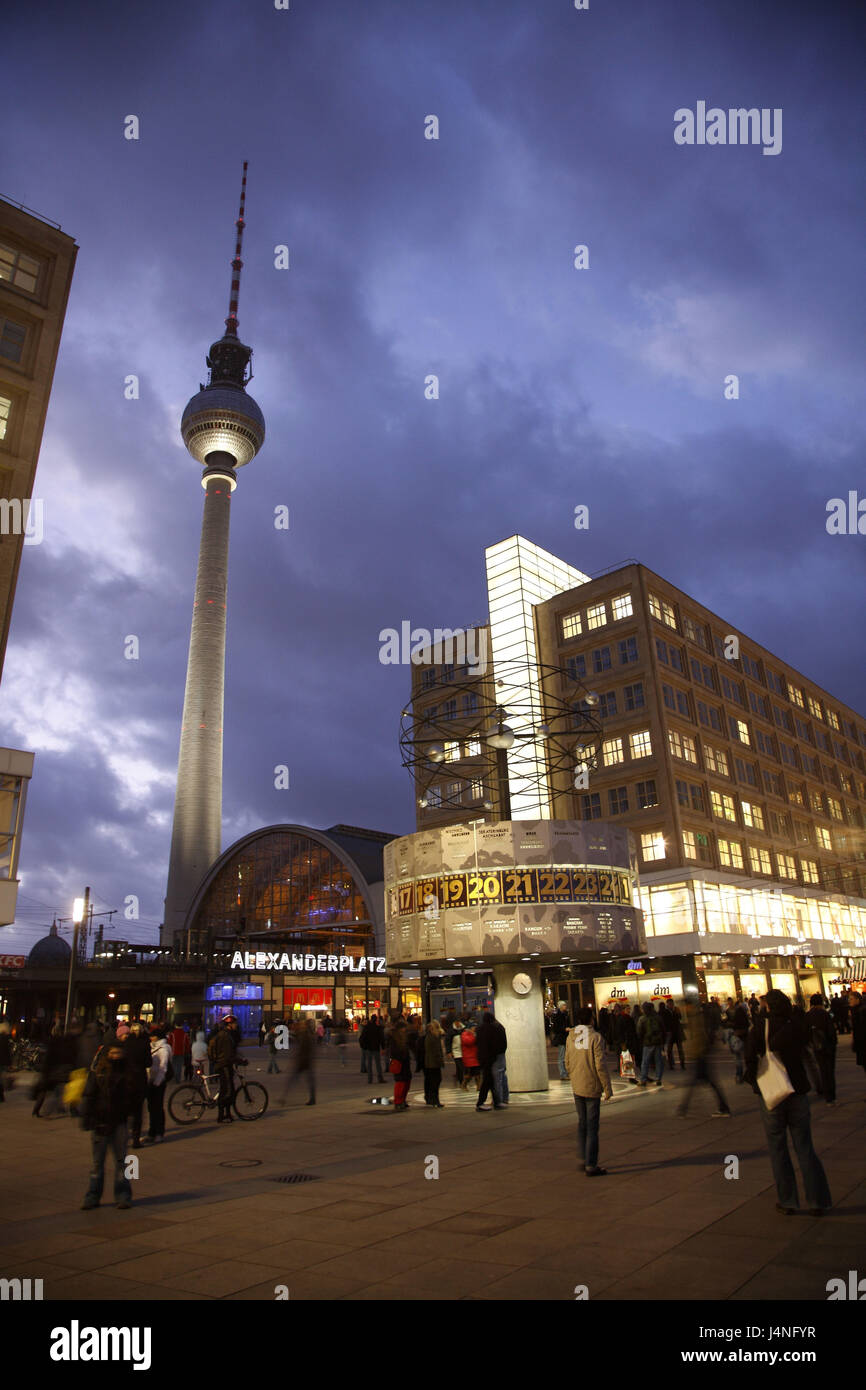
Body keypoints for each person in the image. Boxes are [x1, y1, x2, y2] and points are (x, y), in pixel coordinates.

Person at [744, 989, 832, 1216]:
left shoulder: (760, 1027)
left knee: (778, 1147)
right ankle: (817, 1201)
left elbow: (749, 1059)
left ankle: (788, 1200)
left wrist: (754, 1082)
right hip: (797, 1089)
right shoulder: (797, 1025)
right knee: (805, 1146)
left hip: (772, 1092)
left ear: (768, 1006)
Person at [80, 1036, 135, 1210]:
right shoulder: (98, 1071)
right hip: (100, 1122)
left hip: (120, 1122)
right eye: (113, 1053)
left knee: (123, 1162)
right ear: (107, 1054)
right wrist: (86, 1117)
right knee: (97, 1164)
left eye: (119, 1053)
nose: (116, 1056)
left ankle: (124, 1195)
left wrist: (134, 1120)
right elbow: (89, 1095)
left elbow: (134, 1098)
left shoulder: (128, 1072)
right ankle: (92, 1196)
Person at [565, 1006, 613, 1176]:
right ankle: (591, 1164)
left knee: (582, 1123)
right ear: (591, 1019)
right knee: (592, 1127)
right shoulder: (595, 1037)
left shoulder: (571, 1037)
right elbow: (600, 1065)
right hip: (591, 1085)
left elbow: (567, 1061)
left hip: (577, 1085)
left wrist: (573, 1075)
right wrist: (607, 1087)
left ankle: (582, 1157)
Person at [677, 1003, 731, 1117]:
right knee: (704, 1083)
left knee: (697, 1083)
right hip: (701, 1055)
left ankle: (683, 1108)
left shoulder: (696, 1018)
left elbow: (699, 1037)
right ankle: (683, 1108)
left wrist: (696, 1052)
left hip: (700, 1056)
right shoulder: (696, 1016)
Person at [123, 1019, 152, 1147]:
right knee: (138, 1111)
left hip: (127, 1079)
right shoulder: (144, 1043)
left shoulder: (126, 1043)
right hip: (139, 1078)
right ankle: (136, 1139)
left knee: (126, 1110)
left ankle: (124, 1136)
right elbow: (149, 1062)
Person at [807, 995, 837, 1105]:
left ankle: (827, 1096)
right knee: (830, 1071)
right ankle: (831, 1095)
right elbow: (831, 1031)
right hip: (828, 1045)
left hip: (816, 1046)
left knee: (823, 1070)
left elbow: (806, 1032)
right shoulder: (825, 1014)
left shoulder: (808, 1015)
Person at [208, 1015, 238, 1123]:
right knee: (227, 1091)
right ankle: (221, 1115)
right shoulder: (225, 1036)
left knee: (227, 1090)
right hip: (224, 1065)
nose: (236, 1025)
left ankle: (227, 1114)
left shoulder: (225, 1034)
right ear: (229, 1024)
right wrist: (239, 1061)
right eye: (234, 1023)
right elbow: (227, 1054)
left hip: (224, 1065)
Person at [475, 1009, 507, 1111]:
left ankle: (496, 1101)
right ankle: (481, 1103)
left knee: (490, 1080)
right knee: (488, 1081)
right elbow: (495, 1044)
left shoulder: (480, 1029)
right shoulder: (493, 1028)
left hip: (483, 1058)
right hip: (490, 1058)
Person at [144, 1026, 171, 1143]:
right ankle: (151, 1132)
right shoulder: (151, 1046)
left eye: (153, 1036)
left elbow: (163, 1067)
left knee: (158, 1107)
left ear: (157, 1037)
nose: (151, 1038)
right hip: (150, 1080)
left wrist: (157, 1082)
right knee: (151, 1107)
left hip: (159, 1082)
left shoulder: (164, 1048)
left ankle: (159, 1132)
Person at [282, 1018, 316, 1105]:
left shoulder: (305, 1035)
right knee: (307, 1080)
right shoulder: (307, 1034)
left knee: (293, 1079)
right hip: (306, 1061)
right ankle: (312, 1098)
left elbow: (304, 1049)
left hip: (304, 1062)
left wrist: (298, 1058)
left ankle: (284, 1098)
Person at [637, 1003, 665, 1088]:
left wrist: (641, 1040)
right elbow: (663, 1028)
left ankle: (643, 1080)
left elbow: (639, 1031)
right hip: (657, 1042)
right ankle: (658, 1079)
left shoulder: (642, 1019)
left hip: (647, 1042)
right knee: (658, 1061)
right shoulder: (658, 1017)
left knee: (645, 1062)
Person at [388, 1022, 413, 1110]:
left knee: (406, 1083)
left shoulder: (404, 1038)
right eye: (403, 1028)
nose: (405, 1030)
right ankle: (398, 1101)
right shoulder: (394, 1039)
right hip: (399, 1063)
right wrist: (401, 1057)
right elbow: (393, 1052)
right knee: (400, 1083)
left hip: (405, 1063)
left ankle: (402, 1100)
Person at [422, 1019, 445, 1106]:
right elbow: (436, 1051)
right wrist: (440, 1061)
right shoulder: (433, 1037)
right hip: (433, 1063)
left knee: (433, 1081)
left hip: (431, 1063)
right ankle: (435, 1100)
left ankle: (432, 1099)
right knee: (435, 1081)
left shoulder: (431, 1037)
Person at [728, 999, 750, 1083]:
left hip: (737, 1038)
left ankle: (739, 1075)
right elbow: (747, 1024)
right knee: (745, 1057)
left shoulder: (736, 1015)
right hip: (744, 1037)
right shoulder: (743, 1015)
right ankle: (745, 1075)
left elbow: (733, 1025)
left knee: (738, 1058)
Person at [359, 1015, 385, 1084]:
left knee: (369, 1064)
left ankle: (370, 1079)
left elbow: (362, 1038)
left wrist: (364, 1046)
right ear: (376, 1020)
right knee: (378, 1064)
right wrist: (383, 1047)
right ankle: (380, 1078)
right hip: (376, 1048)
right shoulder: (378, 1028)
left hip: (368, 1048)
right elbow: (381, 1038)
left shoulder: (366, 1027)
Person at [551, 1001, 570, 1080]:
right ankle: (563, 1074)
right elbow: (556, 1029)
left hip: (564, 1037)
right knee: (562, 1057)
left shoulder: (564, 1014)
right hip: (561, 1038)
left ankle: (565, 1073)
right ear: (561, 1006)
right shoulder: (558, 1016)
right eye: (564, 1005)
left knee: (564, 1056)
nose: (565, 1006)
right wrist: (564, 1029)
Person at [461, 1019, 480, 1090]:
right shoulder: (464, 1034)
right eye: (473, 1027)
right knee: (469, 1073)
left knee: (477, 1073)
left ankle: (478, 1086)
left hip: (475, 1056)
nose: (475, 1028)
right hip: (468, 1057)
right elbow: (468, 1042)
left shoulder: (475, 1034)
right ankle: (464, 1085)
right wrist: (474, 1036)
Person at [449, 1021, 465, 1087]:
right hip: (455, 1051)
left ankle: (459, 1078)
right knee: (460, 1067)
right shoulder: (451, 1031)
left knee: (461, 1067)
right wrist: (449, 1051)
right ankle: (461, 1082)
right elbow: (448, 1041)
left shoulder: (464, 1029)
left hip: (464, 1051)